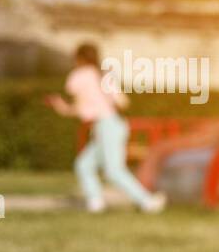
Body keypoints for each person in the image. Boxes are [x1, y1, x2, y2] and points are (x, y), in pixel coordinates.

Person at [46, 42, 166, 214]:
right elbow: (123, 102)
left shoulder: (78, 76)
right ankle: (95, 201)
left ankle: (147, 201)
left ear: (78, 58)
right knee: (84, 165)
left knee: (114, 171)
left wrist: (61, 106)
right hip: (115, 124)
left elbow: (80, 109)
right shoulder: (103, 75)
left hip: (105, 126)